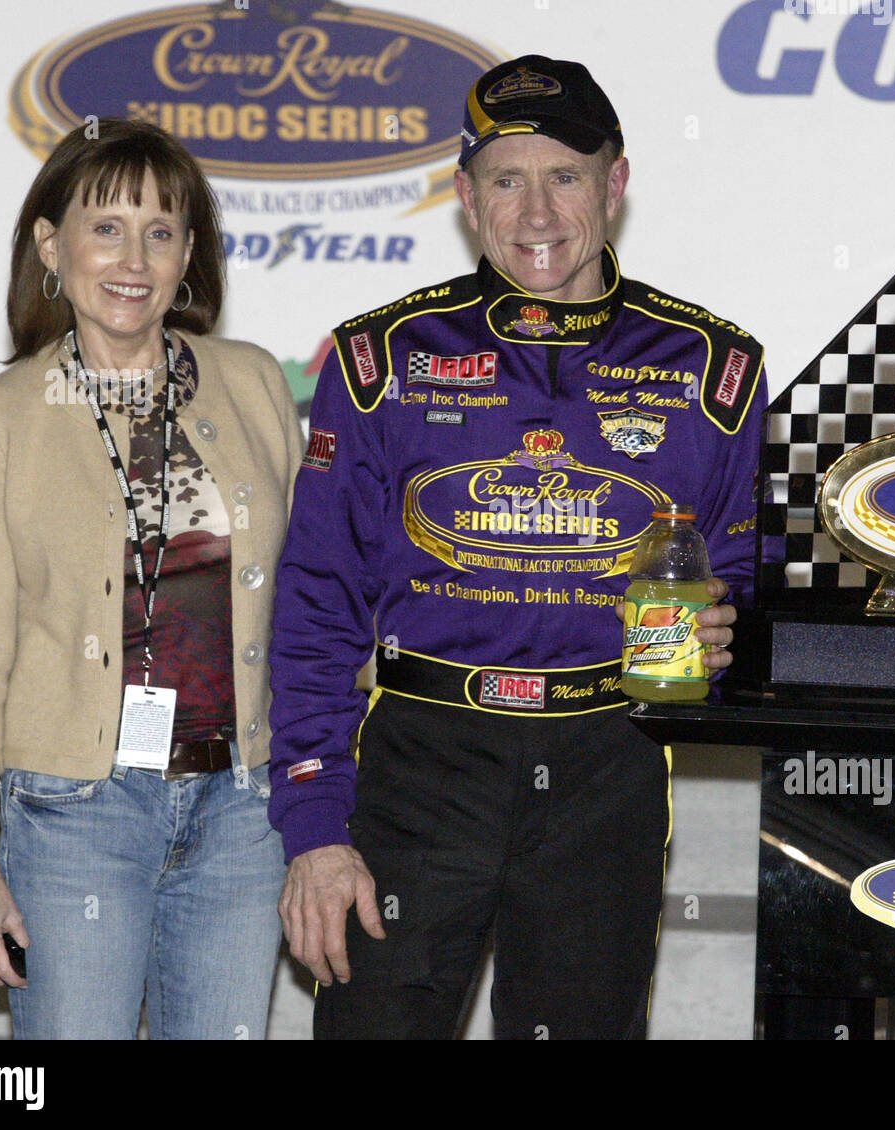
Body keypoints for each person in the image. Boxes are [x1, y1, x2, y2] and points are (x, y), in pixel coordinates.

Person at [269, 55, 771, 1039]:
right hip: (418, 758)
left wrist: (728, 635)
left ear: (614, 182)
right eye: (506, 179)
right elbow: (316, 609)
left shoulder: (716, 370)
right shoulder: (379, 362)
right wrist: (315, 828)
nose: (536, 213)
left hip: (608, 761)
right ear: (464, 197)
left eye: (565, 175)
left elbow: (745, 588)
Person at [0, 119, 304, 1039]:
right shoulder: (4, 416)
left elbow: (313, 602)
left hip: (241, 814)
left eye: (162, 230)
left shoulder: (254, 382)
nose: (133, 257)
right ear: (51, 246)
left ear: (191, 256)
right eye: (106, 228)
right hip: (74, 815)